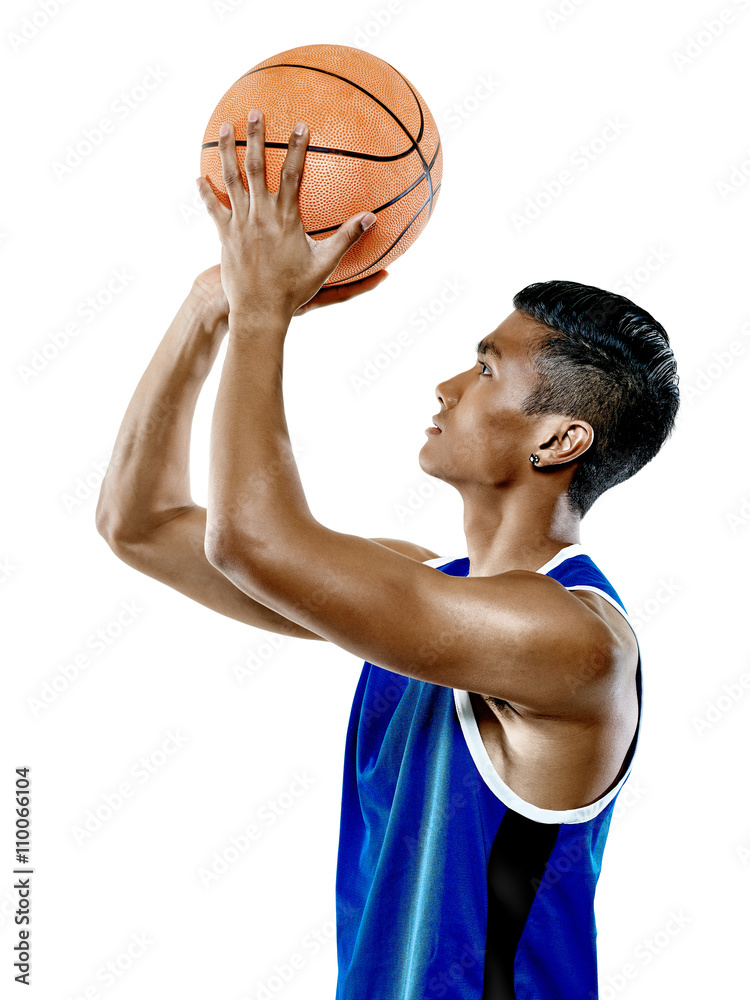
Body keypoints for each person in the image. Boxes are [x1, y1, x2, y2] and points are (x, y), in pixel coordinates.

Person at [95, 112, 679, 999]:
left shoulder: (573, 641)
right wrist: (212, 300)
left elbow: (257, 541)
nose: (446, 386)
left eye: (485, 371)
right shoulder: (427, 593)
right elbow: (138, 522)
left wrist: (265, 310)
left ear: (560, 438)